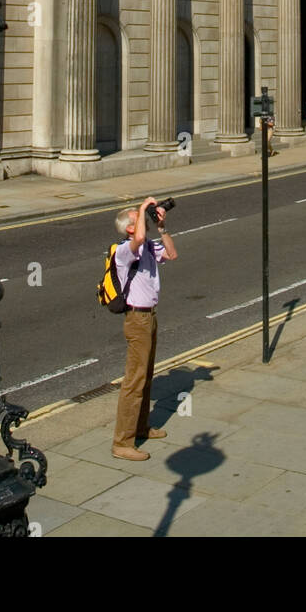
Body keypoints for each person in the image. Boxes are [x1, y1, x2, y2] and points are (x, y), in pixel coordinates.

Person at [111, 197, 178, 462]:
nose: (145, 222)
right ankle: (122, 443)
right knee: (134, 380)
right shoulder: (124, 250)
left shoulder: (149, 246)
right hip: (136, 320)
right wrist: (141, 209)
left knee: (146, 375)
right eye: (139, 220)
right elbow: (138, 238)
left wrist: (162, 227)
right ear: (130, 227)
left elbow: (172, 254)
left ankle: (140, 427)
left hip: (150, 317)